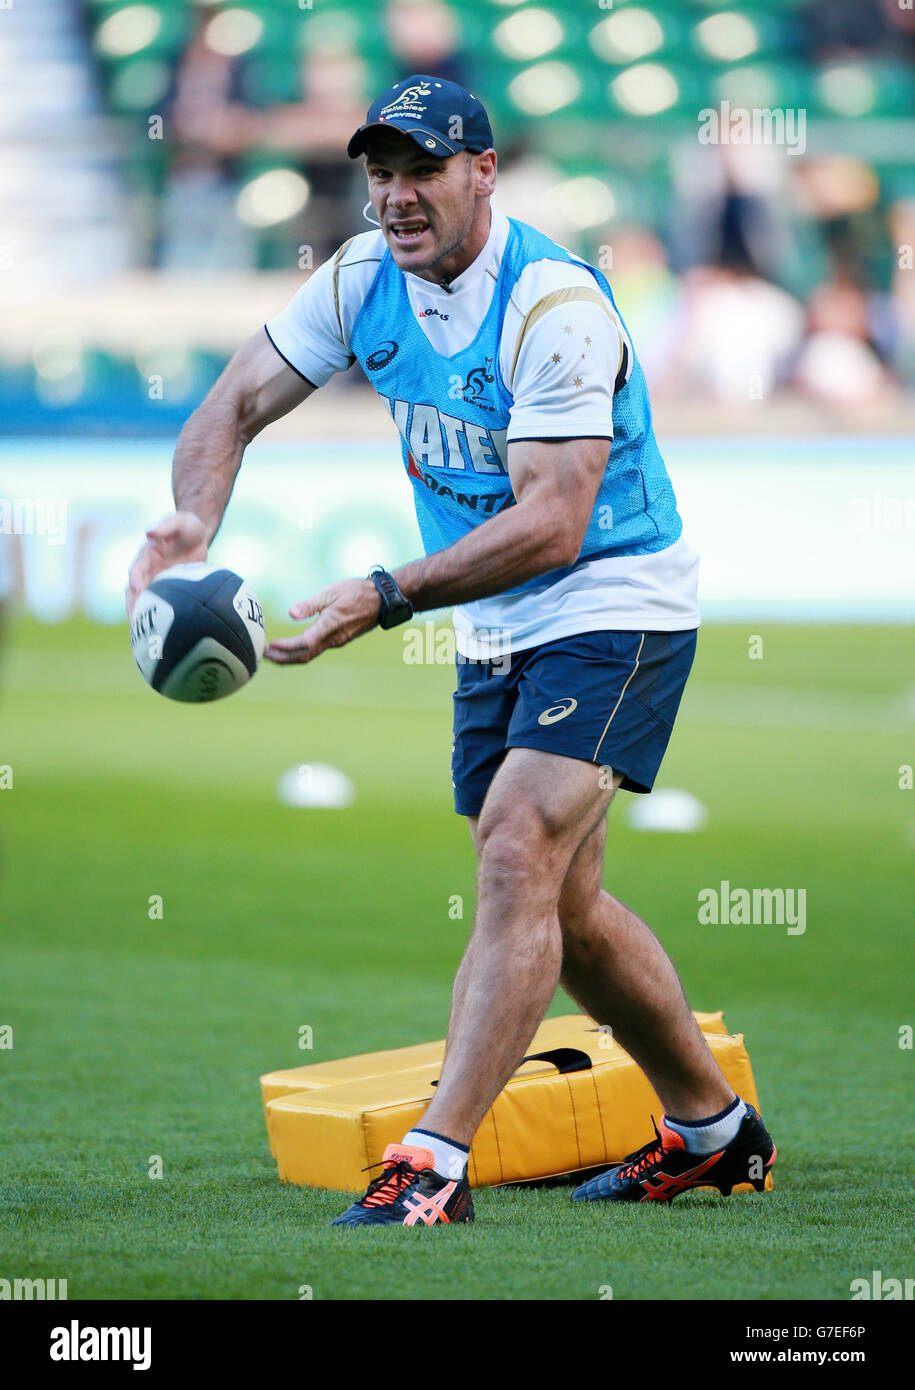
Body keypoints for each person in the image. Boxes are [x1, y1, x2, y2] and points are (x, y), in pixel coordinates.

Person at [127, 75, 776, 1227]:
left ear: (484, 172)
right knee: (563, 908)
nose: (395, 196)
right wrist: (191, 526)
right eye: (379, 172)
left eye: (421, 169)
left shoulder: (554, 304)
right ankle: (714, 1129)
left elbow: (554, 519)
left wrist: (384, 595)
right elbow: (230, 405)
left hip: (612, 593)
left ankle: (433, 1160)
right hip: (496, 619)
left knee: (516, 846)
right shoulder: (361, 275)